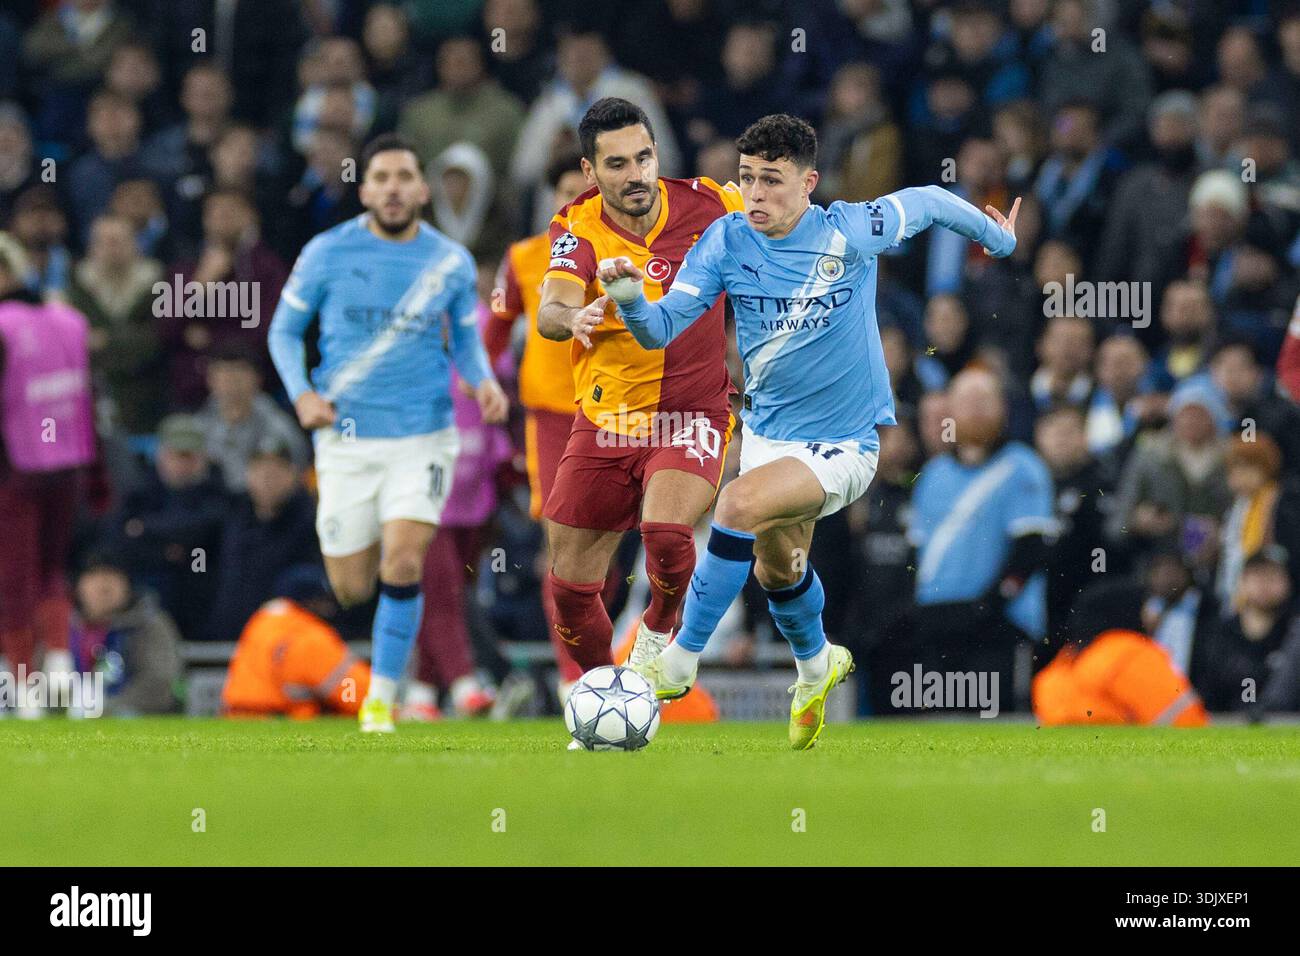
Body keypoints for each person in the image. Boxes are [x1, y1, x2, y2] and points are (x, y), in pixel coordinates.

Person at [603, 113, 1019, 747]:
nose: (756, 195)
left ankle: (678, 661)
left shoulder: (850, 229)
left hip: (846, 443)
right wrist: (632, 300)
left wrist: (999, 236)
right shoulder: (724, 241)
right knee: (778, 569)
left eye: (772, 180)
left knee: (735, 505)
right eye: (746, 179)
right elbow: (661, 330)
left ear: (809, 183)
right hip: (770, 434)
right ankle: (817, 665)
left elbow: (933, 199)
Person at [268, 133, 507, 733]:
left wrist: (482, 383)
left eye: (405, 177)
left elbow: (466, 338)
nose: (394, 188)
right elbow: (282, 332)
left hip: (424, 435)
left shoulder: (448, 261)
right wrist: (302, 395)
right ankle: (388, 645)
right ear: (365, 188)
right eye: (382, 178)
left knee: (404, 562)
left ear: (422, 190)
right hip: (346, 439)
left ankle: (382, 700)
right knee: (351, 586)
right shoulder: (326, 252)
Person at [534, 97, 744, 684]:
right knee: (570, 587)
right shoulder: (577, 228)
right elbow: (552, 306)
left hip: (691, 414)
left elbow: (782, 228)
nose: (636, 175)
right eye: (619, 164)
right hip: (607, 421)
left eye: (644, 158)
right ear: (590, 172)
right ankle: (608, 689)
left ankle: (656, 630)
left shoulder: (712, 204)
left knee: (666, 530)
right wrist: (569, 319)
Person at [486, 151, 592, 695]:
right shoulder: (524, 258)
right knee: (566, 551)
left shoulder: (624, 254)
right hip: (552, 420)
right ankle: (578, 681)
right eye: (565, 192)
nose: (575, 203)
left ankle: (605, 662)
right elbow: (495, 330)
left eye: (585, 192)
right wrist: (481, 385)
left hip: (618, 411)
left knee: (614, 553)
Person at [0, 232, 97, 711]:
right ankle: (58, 662)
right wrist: (98, 475)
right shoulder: (69, 322)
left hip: (12, 471)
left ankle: (24, 687)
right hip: (68, 465)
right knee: (51, 569)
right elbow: (89, 399)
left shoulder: (3, 327)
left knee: (11, 580)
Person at [222, 567, 370, 719]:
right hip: (279, 720)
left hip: (236, 717)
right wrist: (383, 707)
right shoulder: (306, 633)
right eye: (323, 600)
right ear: (310, 602)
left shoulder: (260, 622)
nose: (329, 608)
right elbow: (355, 692)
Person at [70, 551, 182, 716]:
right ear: (78, 585)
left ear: (128, 584)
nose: (104, 585)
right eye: (94, 575)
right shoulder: (62, 626)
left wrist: (106, 710)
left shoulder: (148, 624)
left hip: (134, 721)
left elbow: (159, 683)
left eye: (113, 575)